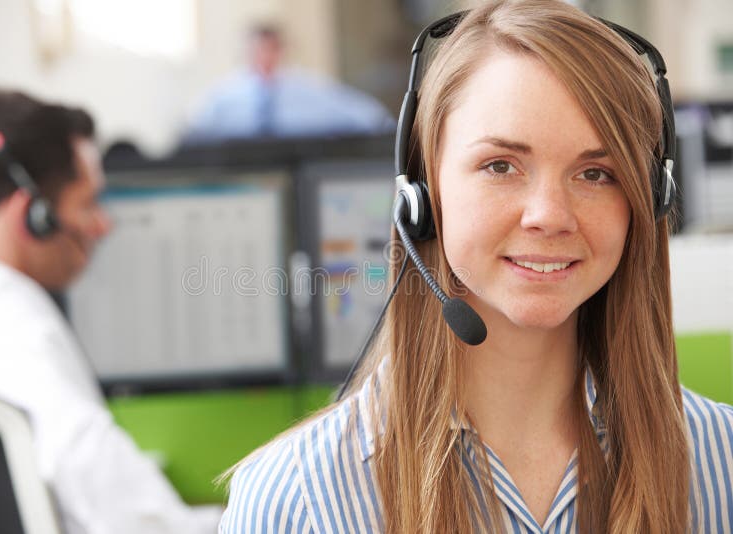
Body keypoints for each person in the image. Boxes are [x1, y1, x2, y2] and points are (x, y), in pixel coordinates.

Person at [218, 1, 733, 532]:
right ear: (421, 192)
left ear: (648, 198)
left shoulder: (721, 466)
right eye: (501, 166)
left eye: (596, 173)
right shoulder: (300, 499)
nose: (549, 216)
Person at [0, 89, 221, 533]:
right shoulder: (12, 330)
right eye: (88, 204)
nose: (103, 225)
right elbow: (136, 522)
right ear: (34, 217)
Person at [182, 24, 395, 143]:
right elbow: (193, 132)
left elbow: (370, 116)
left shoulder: (311, 89)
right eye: (258, 49)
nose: (265, 56)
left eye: (271, 48)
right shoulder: (224, 96)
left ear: (282, 50)